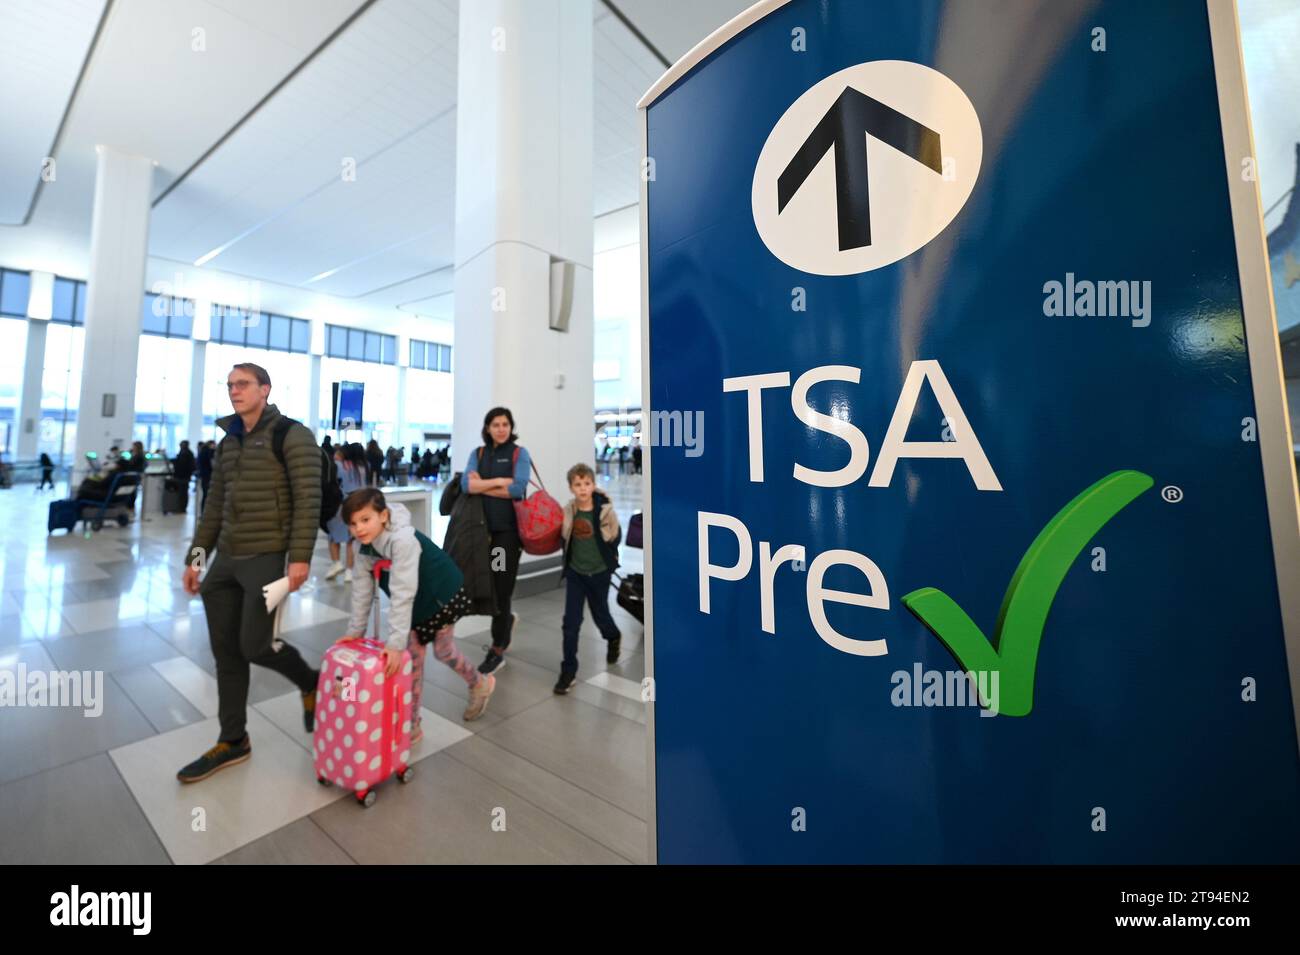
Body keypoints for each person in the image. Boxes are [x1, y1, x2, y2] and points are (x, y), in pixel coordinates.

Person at [176, 362, 322, 784]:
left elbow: (307, 498)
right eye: (229, 385)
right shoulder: (229, 442)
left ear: (265, 389)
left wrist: (299, 557)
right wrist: (198, 557)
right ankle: (233, 739)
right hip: (227, 560)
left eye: (242, 384)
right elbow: (215, 504)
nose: (234, 391)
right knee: (225, 651)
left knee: (255, 644)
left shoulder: (292, 435)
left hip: (268, 555)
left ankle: (310, 680)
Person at [340, 488, 497, 727]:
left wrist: (394, 644)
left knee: (442, 651)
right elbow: (362, 593)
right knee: (413, 661)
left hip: (441, 593)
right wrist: (355, 633)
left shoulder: (402, 540)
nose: (359, 529)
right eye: (352, 524)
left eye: (365, 520)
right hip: (415, 602)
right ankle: (411, 724)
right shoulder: (362, 547)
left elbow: (403, 592)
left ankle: (479, 683)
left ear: (383, 516)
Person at [461, 407, 531, 674]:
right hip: (480, 534)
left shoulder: (518, 454)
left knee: (500, 588)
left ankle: (498, 647)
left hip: (505, 537)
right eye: (495, 424)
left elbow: (517, 488)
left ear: (511, 427)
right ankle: (507, 621)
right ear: (487, 428)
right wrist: (500, 481)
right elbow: (467, 486)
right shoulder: (477, 454)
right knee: (488, 585)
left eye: (505, 424)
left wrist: (485, 484)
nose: (501, 429)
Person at [554, 463, 622, 693]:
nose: (582, 488)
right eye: (577, 484)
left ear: (593, 485)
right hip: (576, 574)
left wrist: (608, 561)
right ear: (571, 488)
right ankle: (568, 670)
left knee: (600, 615)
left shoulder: (604, 510)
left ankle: (613, 637)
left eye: (587, 484)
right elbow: (564, 536)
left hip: (599, 573)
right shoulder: (569, 510)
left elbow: (615, 535)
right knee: (570, 624)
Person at [324, 443, 368, 582]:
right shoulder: (363, 467)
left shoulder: (339, 465)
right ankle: (350, 571)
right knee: (351, 538)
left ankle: (336, 563)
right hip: (358, 504)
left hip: (339, 504)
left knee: (333, 536)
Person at [196, 440, 214, 512]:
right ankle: (204, 512)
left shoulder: (202, 451)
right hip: (207, 476)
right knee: (206, 495)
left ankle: (203, 512)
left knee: (205, 495)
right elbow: (210, 465)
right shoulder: (207, 452)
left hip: (204, 476)